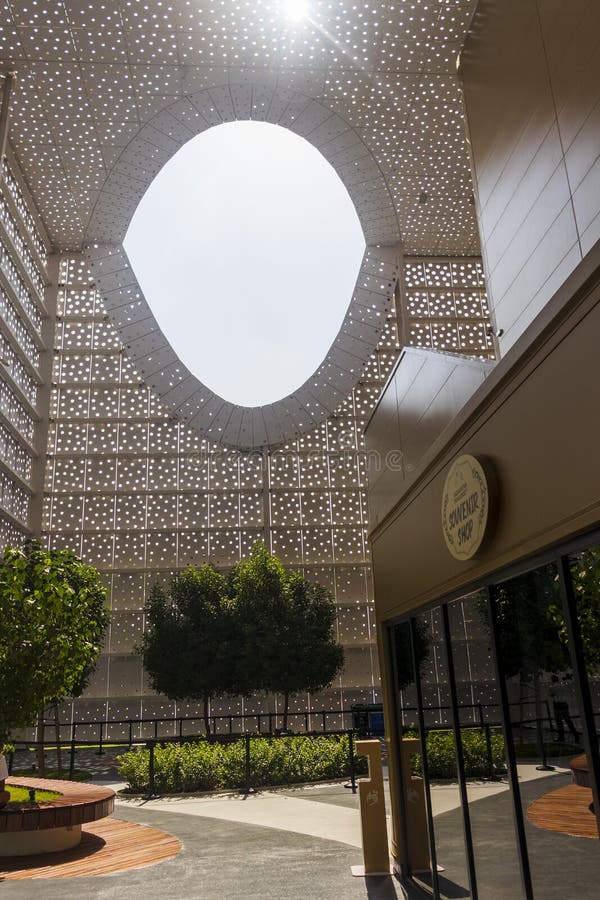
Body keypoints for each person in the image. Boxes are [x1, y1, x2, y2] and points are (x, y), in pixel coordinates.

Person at [549, 674, 579, 742]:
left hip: (557, 705)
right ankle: (575, 735)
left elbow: (551, 695)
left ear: (552, 680)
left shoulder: (552, 687)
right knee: (568, 720)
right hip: (564, 704)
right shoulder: (563, 686)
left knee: (559, 722)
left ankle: (561, 737)